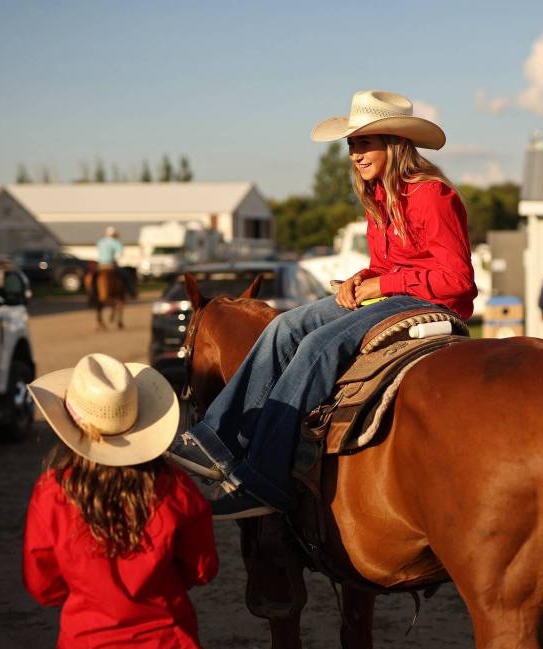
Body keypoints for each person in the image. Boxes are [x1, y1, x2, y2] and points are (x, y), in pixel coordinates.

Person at [170, 90, 477, 520]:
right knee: (282, 328)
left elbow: (457, 280)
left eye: (365, 143)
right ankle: (214, 441)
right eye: (352, 144)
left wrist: (381, 284)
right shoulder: (378, 199)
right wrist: (362, 279)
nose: (355, 154)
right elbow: (386, 263)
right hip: (390, 293)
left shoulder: (431, 195)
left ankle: (264, 478)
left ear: (395, 143)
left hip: (428, 303)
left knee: (318, 347)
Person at [23, 353, 218, 649]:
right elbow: (201, 569)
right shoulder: (175, 488)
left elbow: (44, 587)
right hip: (166, 648)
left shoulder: (52, 493)